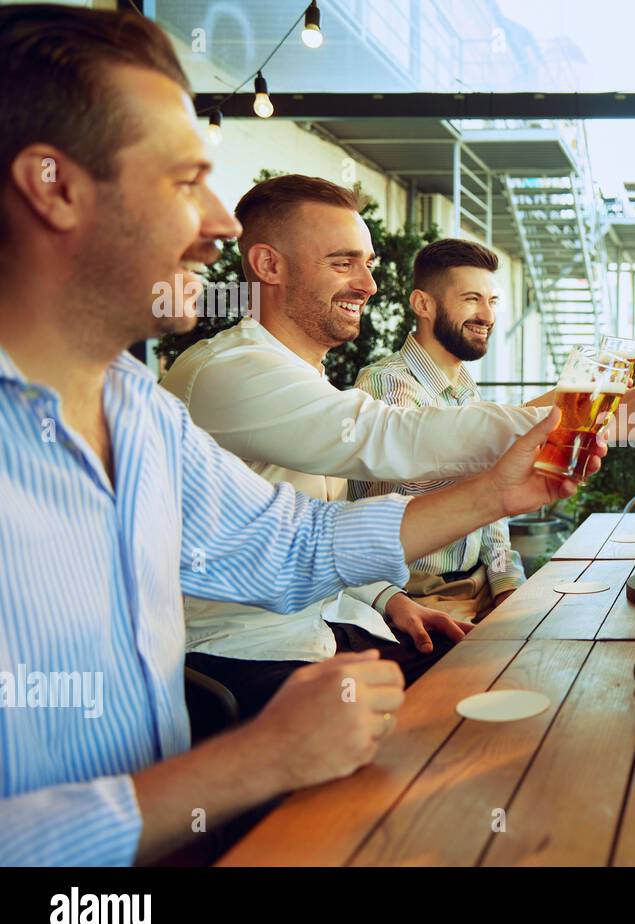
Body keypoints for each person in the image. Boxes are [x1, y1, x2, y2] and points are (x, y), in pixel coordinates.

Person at [0, 5, 603, 865]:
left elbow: (288, 543)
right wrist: (251, 759)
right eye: (183, 181)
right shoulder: (215, 373)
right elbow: (377, 437)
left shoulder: (140, 411)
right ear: (52, 185)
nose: (218, 221)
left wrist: (495, 495)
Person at [163, 176, 521, 713]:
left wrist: (388, 599)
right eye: (343, 262)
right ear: (269, 266)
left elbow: (311, 533)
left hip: (332, 629)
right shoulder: (229, 371)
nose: (369, 284)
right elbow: (390, 434)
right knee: (471, 714)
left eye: (368, 263)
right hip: (244, 658)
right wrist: (591, 409)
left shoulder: (300, 377)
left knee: (500, 675)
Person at [351, 238, 528, 622]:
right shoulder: (386, 384)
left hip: (478, 591)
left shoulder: (467, 388)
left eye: (492, 301)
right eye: (471, 299)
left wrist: (506, 584)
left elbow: (492, 513)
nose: (487, 315)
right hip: (413, 600)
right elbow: (418, 481)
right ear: (423, 304)